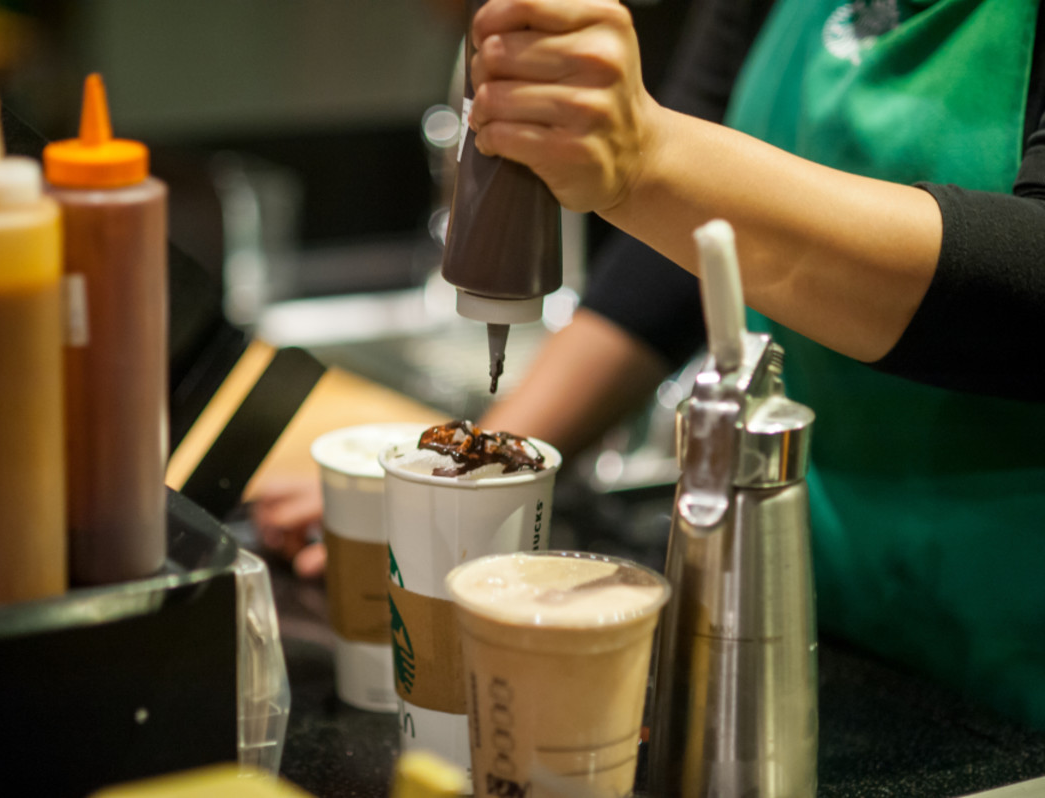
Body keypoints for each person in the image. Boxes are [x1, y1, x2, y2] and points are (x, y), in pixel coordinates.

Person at [259, 0, 1045, 728]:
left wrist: (648, 155)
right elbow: (682, 250)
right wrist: (471, 475)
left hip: (1014, 656)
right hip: (808, 620)